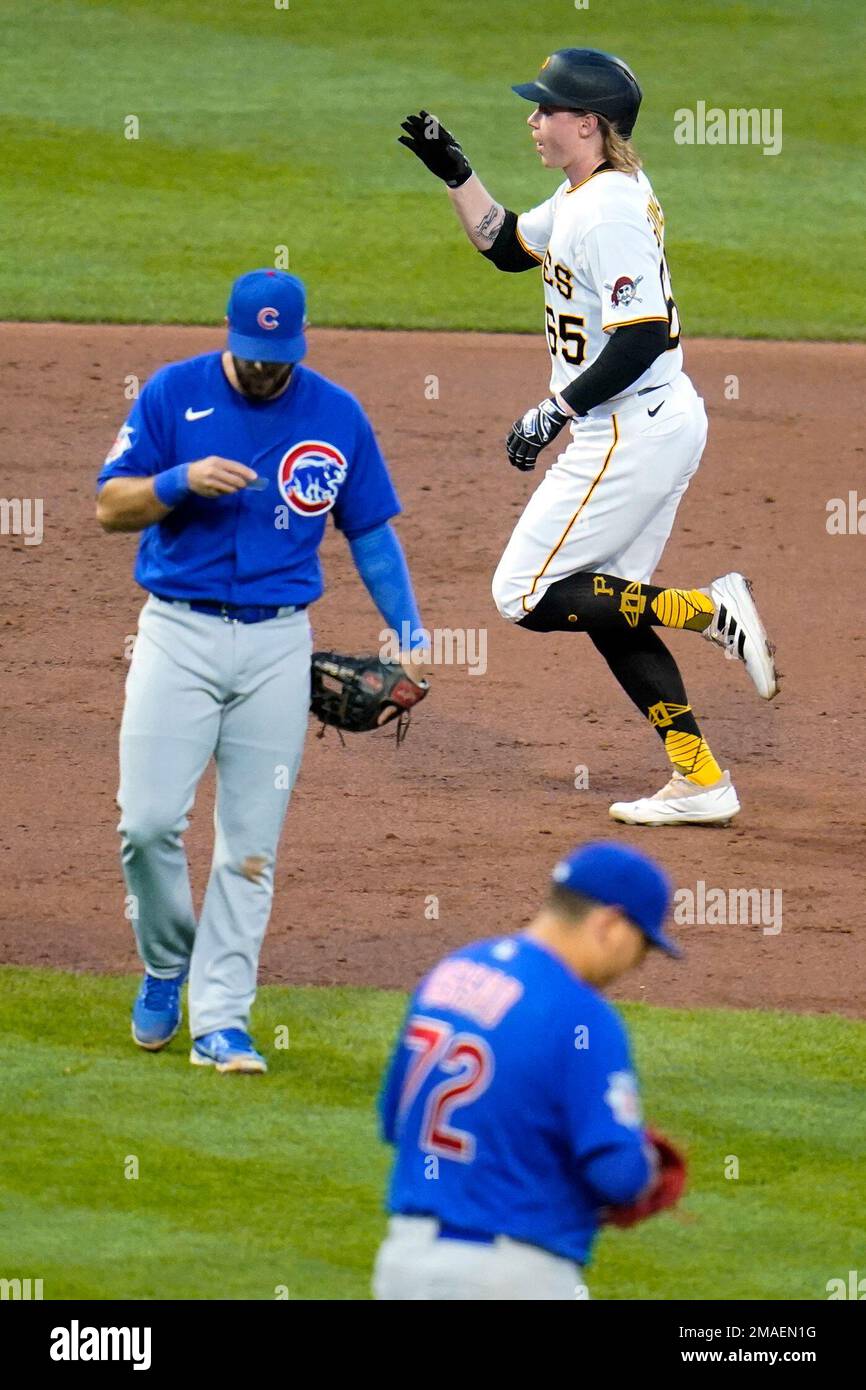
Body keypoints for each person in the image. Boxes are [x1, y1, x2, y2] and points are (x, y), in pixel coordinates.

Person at [398, 49, 778, 826]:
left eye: (547, 109)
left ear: (590, 124)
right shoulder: (587, 194)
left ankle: (708, 610)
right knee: (608, 607)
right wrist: (455, 173)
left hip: (629, 427)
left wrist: (552, 411)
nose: (534, 120)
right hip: (648, 423)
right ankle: (700, 779)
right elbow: (506, 245)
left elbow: (637, 338)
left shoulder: (607, 212)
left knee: (525, 593)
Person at [96, 269, 427, 1073]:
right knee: (146, 825)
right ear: (229, 334)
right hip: (176, 634)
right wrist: (180, 482)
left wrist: (409, 626)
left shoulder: (336, 414)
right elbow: (110, 506)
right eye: (254, 356)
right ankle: (167, 963)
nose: (266, 371)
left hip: (279, 647)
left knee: (249, 849)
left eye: (280, 358)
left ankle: (223, 1021)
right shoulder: (173, 395)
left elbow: (370, 533)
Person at [374, 841, 684, 1300]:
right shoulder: (582, 1014)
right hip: (511, 1277)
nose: (636, 964)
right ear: (610, 924)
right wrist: (648, 1165)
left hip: (403, 1265)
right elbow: (617, 1176)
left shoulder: (452, 971)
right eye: (642, 946)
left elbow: (394, 1120)